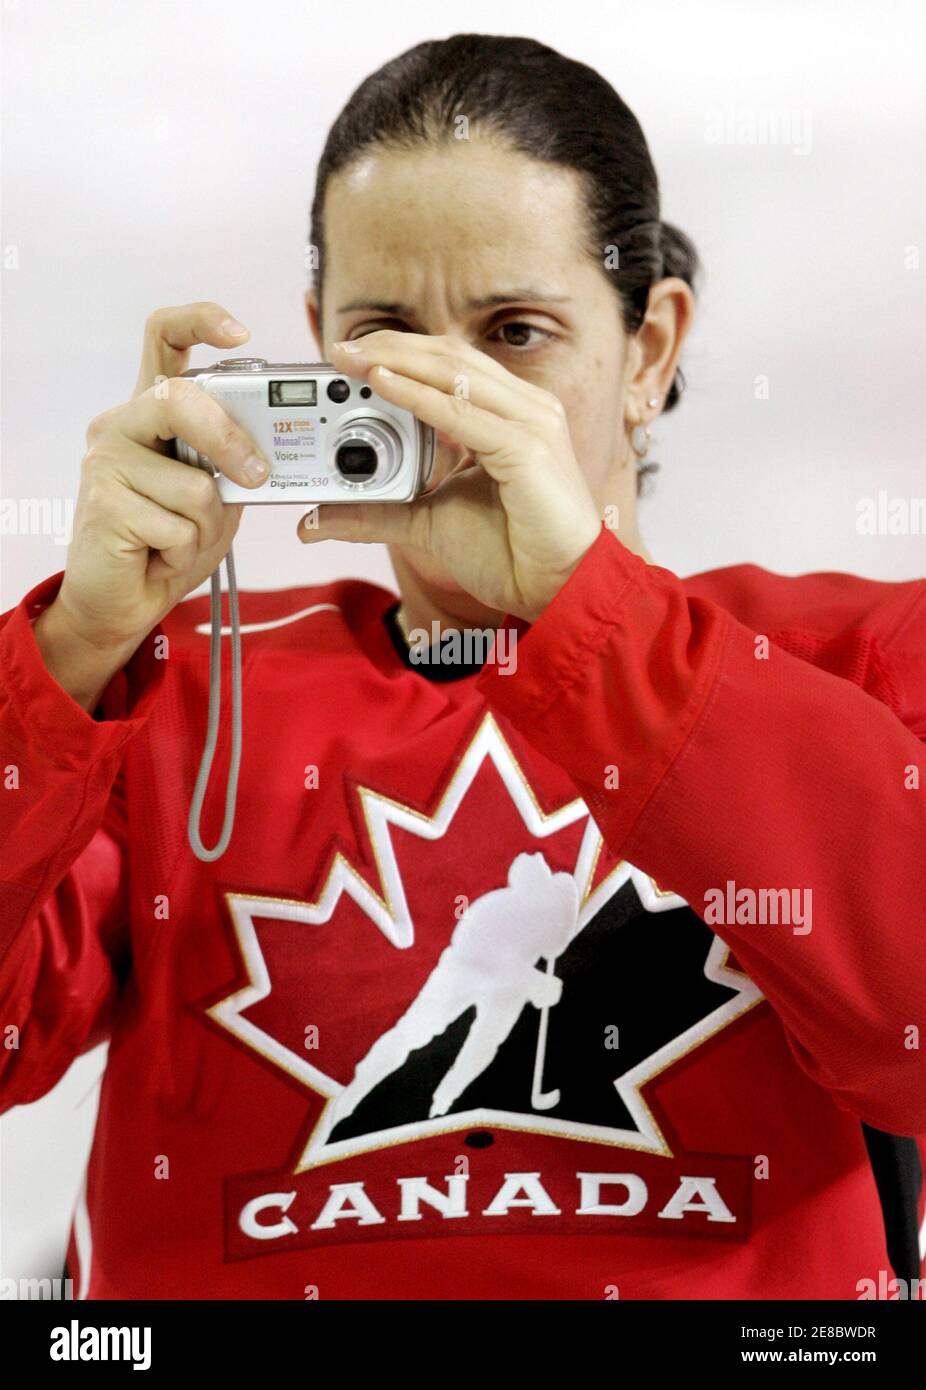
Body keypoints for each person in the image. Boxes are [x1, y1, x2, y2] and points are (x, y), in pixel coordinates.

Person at [1, 33, 924, 1302]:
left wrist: (588, 619)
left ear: (648, 348)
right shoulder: (170, 690)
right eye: (385, 333)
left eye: (515, 332)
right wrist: (65, 664)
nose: (444, 401)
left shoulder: (860, 659)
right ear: (316, 343)